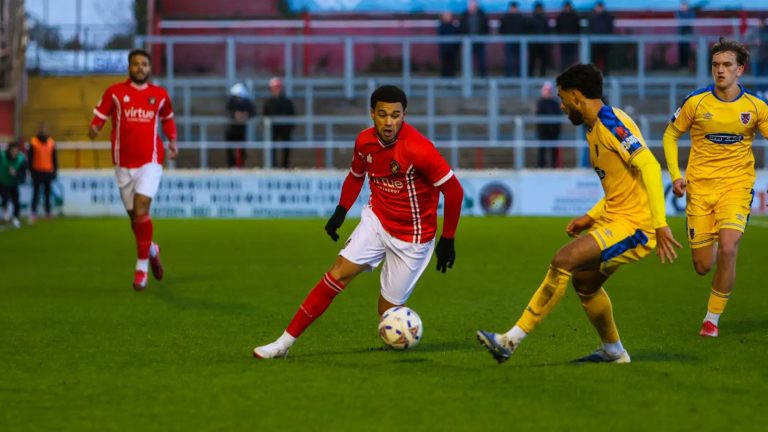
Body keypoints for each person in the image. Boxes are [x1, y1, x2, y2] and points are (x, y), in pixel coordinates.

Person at [477, 64, 681, 364]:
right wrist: (591, 215)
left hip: (636, 226)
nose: (561, 106)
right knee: (585, 283)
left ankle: (510, 340)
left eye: (562, 98)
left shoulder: (611, 122)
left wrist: (661, 224)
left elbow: (649, 166)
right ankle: (614, 351)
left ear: (575, 96)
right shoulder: (595, 128)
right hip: (617, 219)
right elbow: (622, 185)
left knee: (564, 261)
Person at [253, 85, 464, 359]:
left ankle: (395, 338)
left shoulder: (419, 149)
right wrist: (341, 210)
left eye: (396, 115)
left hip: (412, 237)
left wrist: (448, 238)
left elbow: (454, 190)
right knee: (337, 273)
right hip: (377, 219)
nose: (389, 122)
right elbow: (356, 175)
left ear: (404, 115)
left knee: (387, 314)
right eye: (383, 114)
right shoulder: (364, 141)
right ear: (372, 114)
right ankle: (283, 343)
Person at [662, 38, 768, 338]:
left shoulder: (756, 107)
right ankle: (718, 253)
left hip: (736, 187)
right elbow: (670, 135)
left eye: (727, 65)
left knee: (730, 247)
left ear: (740, 70)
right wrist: (675, 175)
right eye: (716, 65)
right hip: (700, 190)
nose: (720, 71)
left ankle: (711, 320)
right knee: (702, 265)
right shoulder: (696, 102)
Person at [88, 48, 178, 291]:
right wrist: (95, 127)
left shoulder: (159, 95)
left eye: (145, 64)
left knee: (141, 208)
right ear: (129, 67)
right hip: (123, 164)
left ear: (150, 68)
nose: (141, 68)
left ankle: (141, 269)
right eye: (136, 64)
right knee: (135, 219)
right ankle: (151, 250)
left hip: (150, 160)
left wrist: (172, 139)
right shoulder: (115, 92)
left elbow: (168, 118)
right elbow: (99, 116)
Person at [262, 77, 295, 168]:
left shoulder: (287, 102)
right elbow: (264, 116)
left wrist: (289, 127)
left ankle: (285, 165)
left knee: (286, 146)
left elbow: (292, 115)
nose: (276, 89)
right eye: (274, 87)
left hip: (285, 129)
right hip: (273, 129)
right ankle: (272, 165)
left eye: (278, 87)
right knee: (271, 146)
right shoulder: (268, 102)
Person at [27, 123, 58, 222]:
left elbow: (54, 158)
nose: (43, 133)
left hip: (48, 171)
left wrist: (55, 170)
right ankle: (33, 212)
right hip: (37, 171)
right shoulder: (33, 142)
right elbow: (30, 158)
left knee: (47, 193)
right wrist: (31, 171)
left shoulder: (51, 142)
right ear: (38, 131)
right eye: (41, 131)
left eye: (44, 131)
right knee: (35, 193)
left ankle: (47, 212)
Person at [225, 82, 255, 169]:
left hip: (241, 129)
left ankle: (240, 165)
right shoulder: (231, 101)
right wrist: (235, 115)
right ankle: (231, 166)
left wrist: (245, 115)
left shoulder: (246, 102)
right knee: (229, 148)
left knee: (241, 148)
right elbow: (227, 112)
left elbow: (252, 113)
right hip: (231, 129)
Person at [459, 0, 490, 78]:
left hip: (480, 41)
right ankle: (468, 76)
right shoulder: (465, 15)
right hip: (468, 42)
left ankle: (482, 76)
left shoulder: (481, 14)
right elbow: (461, 28)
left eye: (473, 5)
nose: (472, 7)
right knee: (467, 60)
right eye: (470, 5)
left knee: (481, 60)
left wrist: (483, 37)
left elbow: (486, 27)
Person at [535, 81, 562, 168]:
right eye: (546, 90)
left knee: (553, 150)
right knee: (542, 150)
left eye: (549, 90)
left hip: (553, 131)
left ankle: (554, 166)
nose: (547, 92)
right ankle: (541, 166)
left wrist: (557, 130)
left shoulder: (555, 103)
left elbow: (558, 117)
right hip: (543, 131)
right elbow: (538, 117)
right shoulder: (540, 102)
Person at [0, 141, 26, 228]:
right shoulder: (2, 156)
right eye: (13, 150)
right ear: (9, 150)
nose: (14, 152)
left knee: (16, 202)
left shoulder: (21, 159)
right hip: (2, 182)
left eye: (16, 150)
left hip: (13, 183)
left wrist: (16, 174)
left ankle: (16, 218)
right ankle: (5, 211)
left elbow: (23, 175)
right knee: (5, 198)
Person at [499, 2, 525, 77]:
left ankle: (519, 75)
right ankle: (509, 76)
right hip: (509, 42)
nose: (513, 9)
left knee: (519, 60)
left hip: (519, 42)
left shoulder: (521, 17)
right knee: (509, 60)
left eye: (515, 8)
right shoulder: (505, 17)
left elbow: (525, 29)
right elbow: (502, 29)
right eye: (512, 8)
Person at [588, 1, 614, 75]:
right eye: (597, 7)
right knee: (594, 60)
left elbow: (610, 28)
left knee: (605, 59)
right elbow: (591, 28)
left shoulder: (608, 17)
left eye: (600, 7)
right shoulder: (592, 17)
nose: (598, 9)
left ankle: (605, 74)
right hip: (595, 43)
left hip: (605, 42)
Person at [527, 2, 551, 78]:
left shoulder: (545, 20)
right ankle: (530, 77)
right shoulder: (531, 20)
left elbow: (548, 32)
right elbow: (528, 32)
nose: (538, 10)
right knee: (532, 62)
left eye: (540, 9)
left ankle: (542, 77)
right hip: (533, 45)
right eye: (537, 9)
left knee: (543, 62)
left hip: (543, 45)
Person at [556, 1, 581, 69]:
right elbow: (558, 28)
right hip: (563, 41)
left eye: (568, 7)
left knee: (572, 58)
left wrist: (575, 38)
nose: (567, 8)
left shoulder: (575, 16)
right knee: (563, 58)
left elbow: (578, 28)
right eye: (566, 7)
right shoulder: (560, 17)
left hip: (572, 42)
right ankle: (563, 72)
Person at [437, 12, 460, 78]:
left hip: (452, 50)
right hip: (444, 49)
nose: (447, 17)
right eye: (446, 16)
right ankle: (443, 79)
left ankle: (451, 80)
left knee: (451, 66)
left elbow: (456, 35)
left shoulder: (453, 26)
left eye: (448, 15)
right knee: (444, 65)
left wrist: (455, 47)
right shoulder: (441, 26)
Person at [676, 1, 695, 70]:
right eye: (682, 5)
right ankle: (681, 66)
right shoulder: (678, 12)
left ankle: (686, 66)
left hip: (687, 34)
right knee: (681, 50)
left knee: (686, 50)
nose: (682, 7)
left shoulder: (690, 12)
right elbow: (681, 21)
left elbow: (690, 21)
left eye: (684, 5)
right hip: (681, 35)